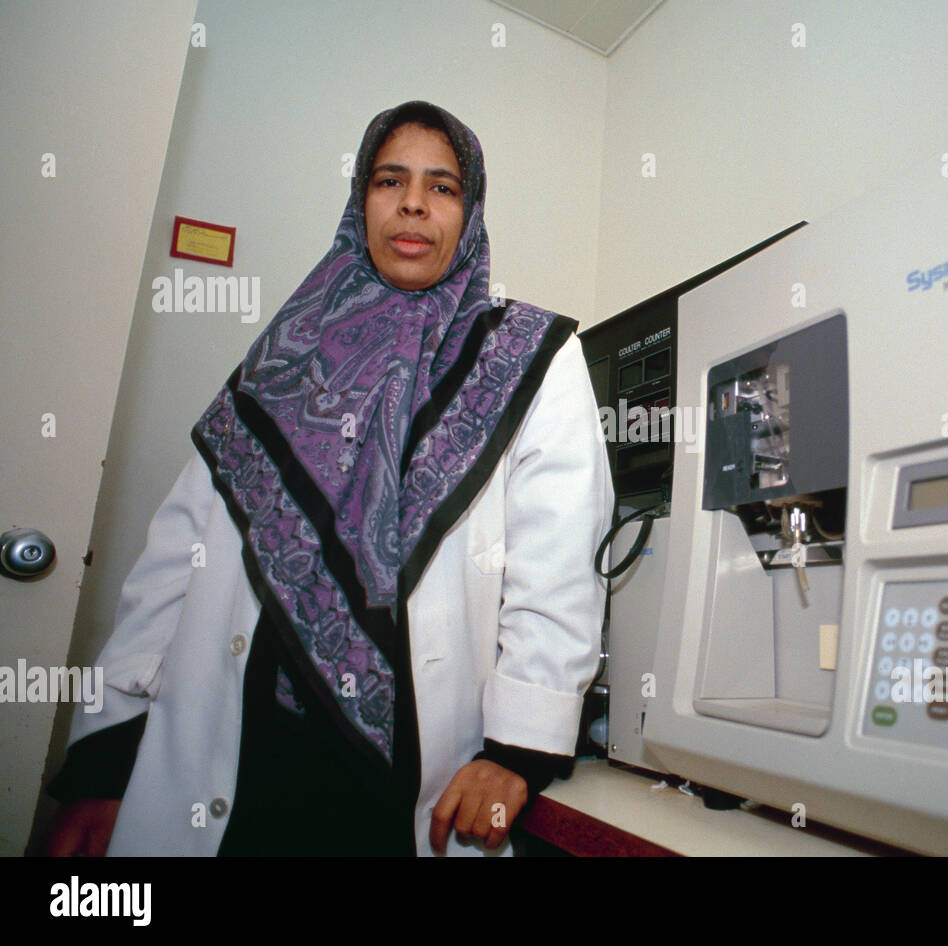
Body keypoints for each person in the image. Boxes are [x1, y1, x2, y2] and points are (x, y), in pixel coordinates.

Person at [45, 101, 612, 856]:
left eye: (442, 187)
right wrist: (104, 763)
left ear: (471, 212)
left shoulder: (530, 357)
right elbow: (174, 565)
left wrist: (516, 752)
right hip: (235, 755)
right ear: (361, 203)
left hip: (400, 779)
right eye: (390, 179)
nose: (413, 202)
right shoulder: (281, 358)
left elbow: (559, 572)